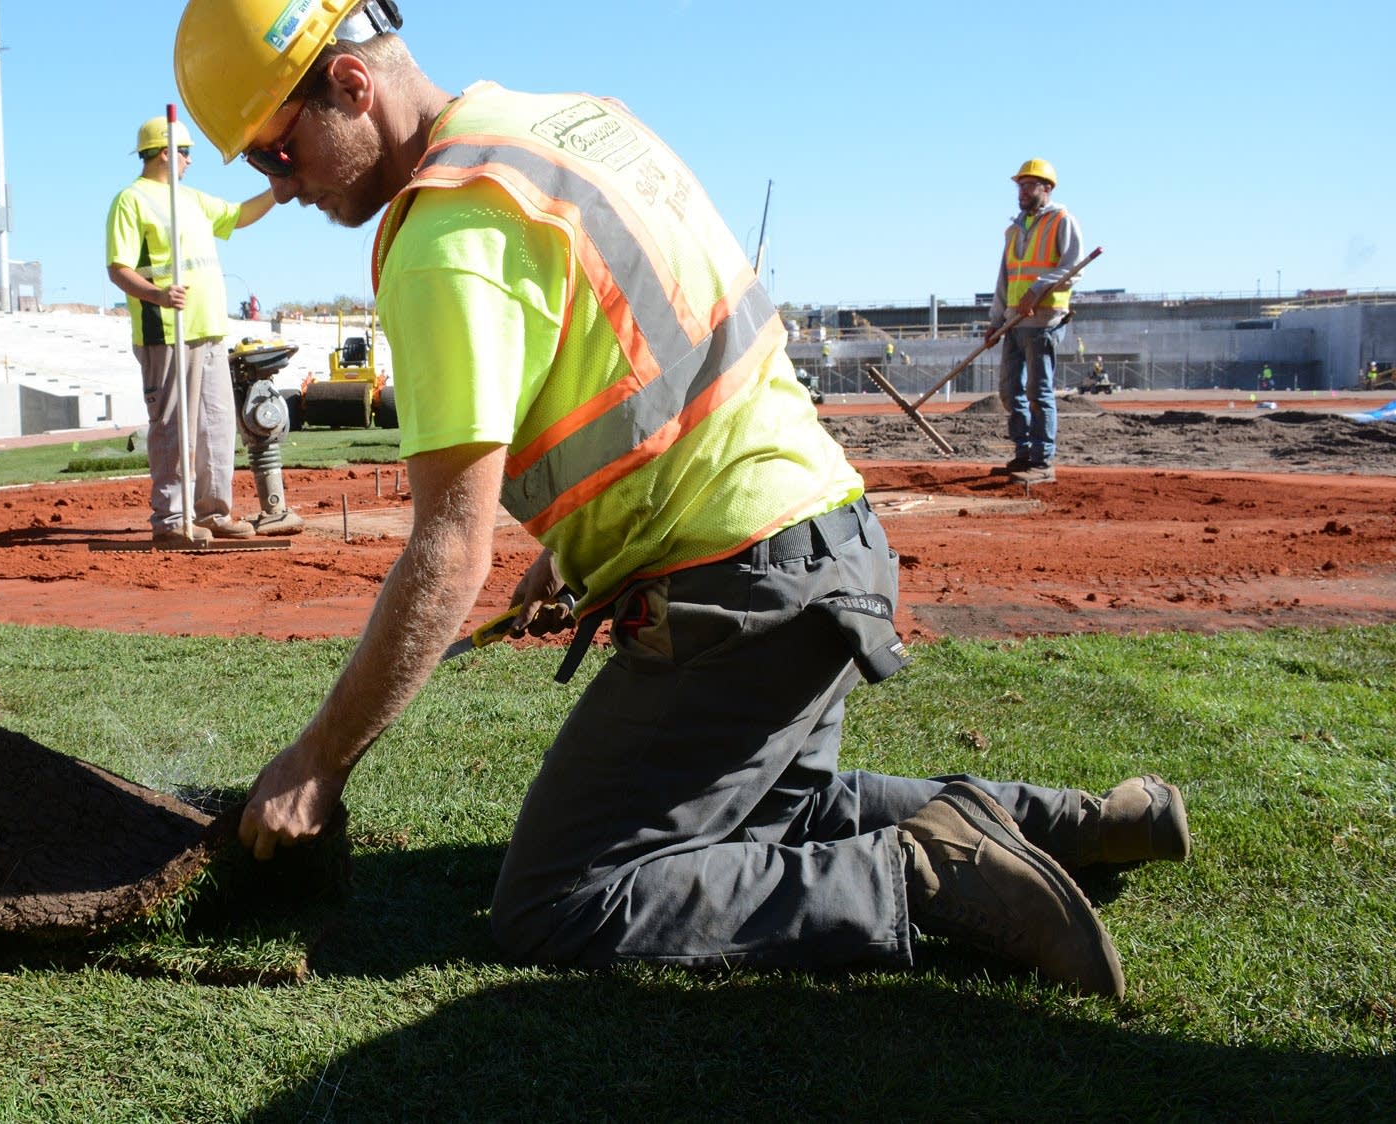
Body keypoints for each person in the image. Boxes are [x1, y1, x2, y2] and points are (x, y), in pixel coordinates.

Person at [174, 0, 1191, 997]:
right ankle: (1085, 820)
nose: (282, 185)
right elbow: (660, 363)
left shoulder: (445, 232)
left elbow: (446, 552)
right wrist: (581, 544)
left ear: (349, 83)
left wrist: (318, 759)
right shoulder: (569, 124)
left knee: (556, 897)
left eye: (277, 151)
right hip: (832, 550)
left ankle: (919, 877)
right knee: (770, 823)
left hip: (739, 594)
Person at [105, 113, 278, 547]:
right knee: (172, 427)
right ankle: (171, 521)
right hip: (165, 332)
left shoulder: (194, 201)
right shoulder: (132, 201)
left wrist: (279, 189)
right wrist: (158, 296)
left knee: (216, 426)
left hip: (209, 331)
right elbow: (118, 268)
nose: (189, 161)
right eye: (185, 153)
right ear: (165, 153)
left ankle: (214, 513)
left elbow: (238, 216)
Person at [988, 158, 1084, 485]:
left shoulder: (1062, 221)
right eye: (1020, 186)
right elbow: (1005, 277)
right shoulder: (1014, 229)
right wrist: (994, 319)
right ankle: (1024, 452)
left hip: (1044, 321)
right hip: (1014, 321)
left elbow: (1073, 268)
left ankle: (1042, 461)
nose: (1023, 191)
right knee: (1009, 390)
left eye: (1030, 186)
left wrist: (1039, 289)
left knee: (1037, 390)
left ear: (1047, 188)